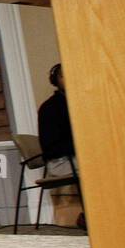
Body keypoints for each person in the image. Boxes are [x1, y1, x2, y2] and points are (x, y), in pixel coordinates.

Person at [37, 63, 84, 229]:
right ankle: (90, 216)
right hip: (60, 162)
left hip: (77, 158)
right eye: (64, 75)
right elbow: (52, 148)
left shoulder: (81, 101)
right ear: (56, 80)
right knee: (102, 165)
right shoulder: (50, 108)